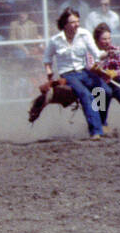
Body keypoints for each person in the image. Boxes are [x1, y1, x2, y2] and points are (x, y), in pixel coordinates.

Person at [43, 7, 107, 139]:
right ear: (65, 24)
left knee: (103, 90)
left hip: (83, 71)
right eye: (73, 22)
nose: (76, 24)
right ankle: (95, 131)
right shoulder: (55, 40)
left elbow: (97, 54)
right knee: (85, 95)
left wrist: (106, 54)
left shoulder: (84, 34)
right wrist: (49, 72)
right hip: (68, 75)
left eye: (77, 21)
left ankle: (100, 122)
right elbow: (47, 59)